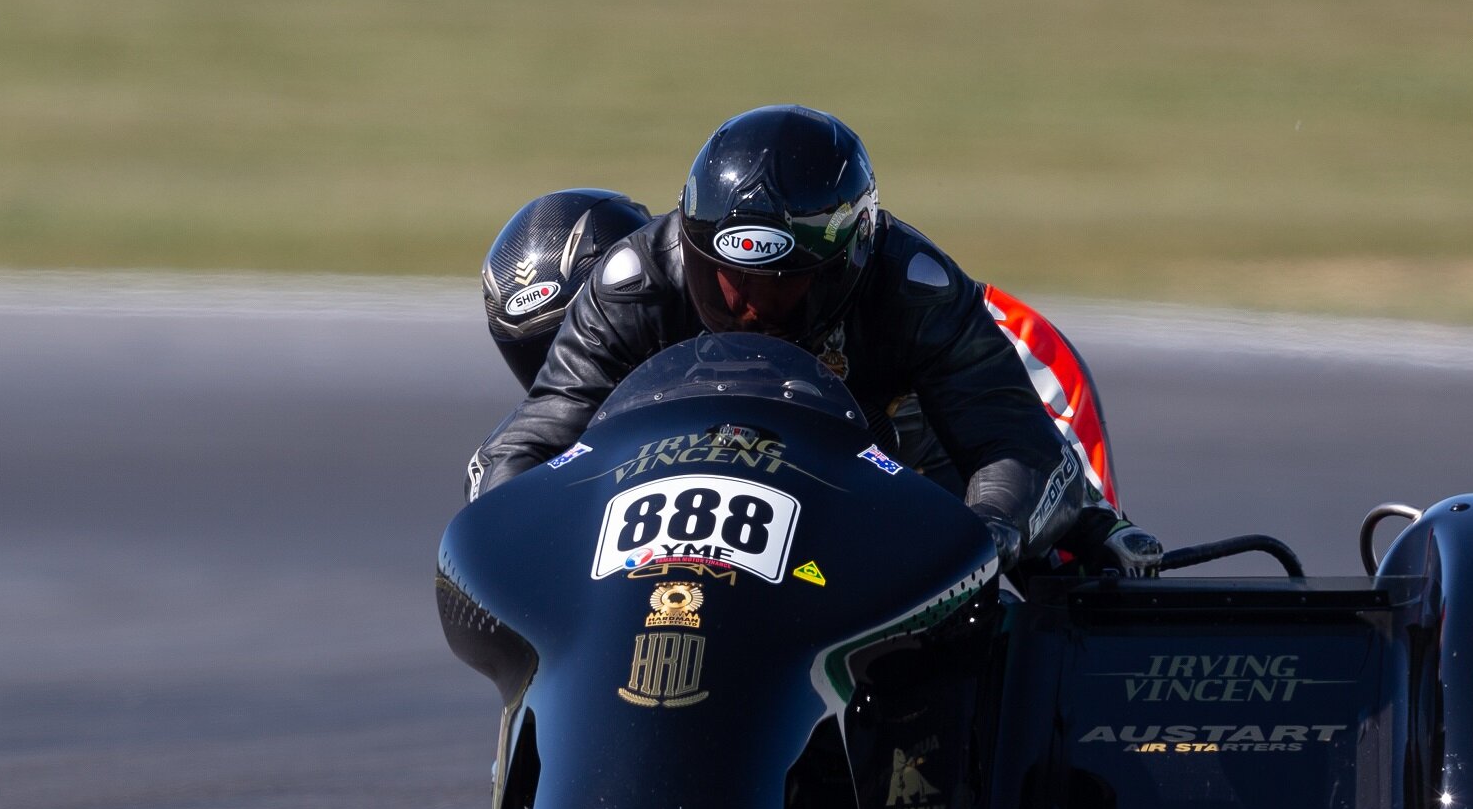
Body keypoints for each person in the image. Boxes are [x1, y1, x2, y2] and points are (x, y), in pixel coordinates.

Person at [467, 106, 1163, 576]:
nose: (748, 307)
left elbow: (1016, 446)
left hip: (907, 476)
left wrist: (984, 540)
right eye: (725, 280)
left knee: (1062, 568)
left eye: (778, 288)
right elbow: (536, 432)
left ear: (846, 264)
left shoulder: (912, 287)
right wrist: (510, 531)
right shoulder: (637, 282)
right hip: (705, 496)